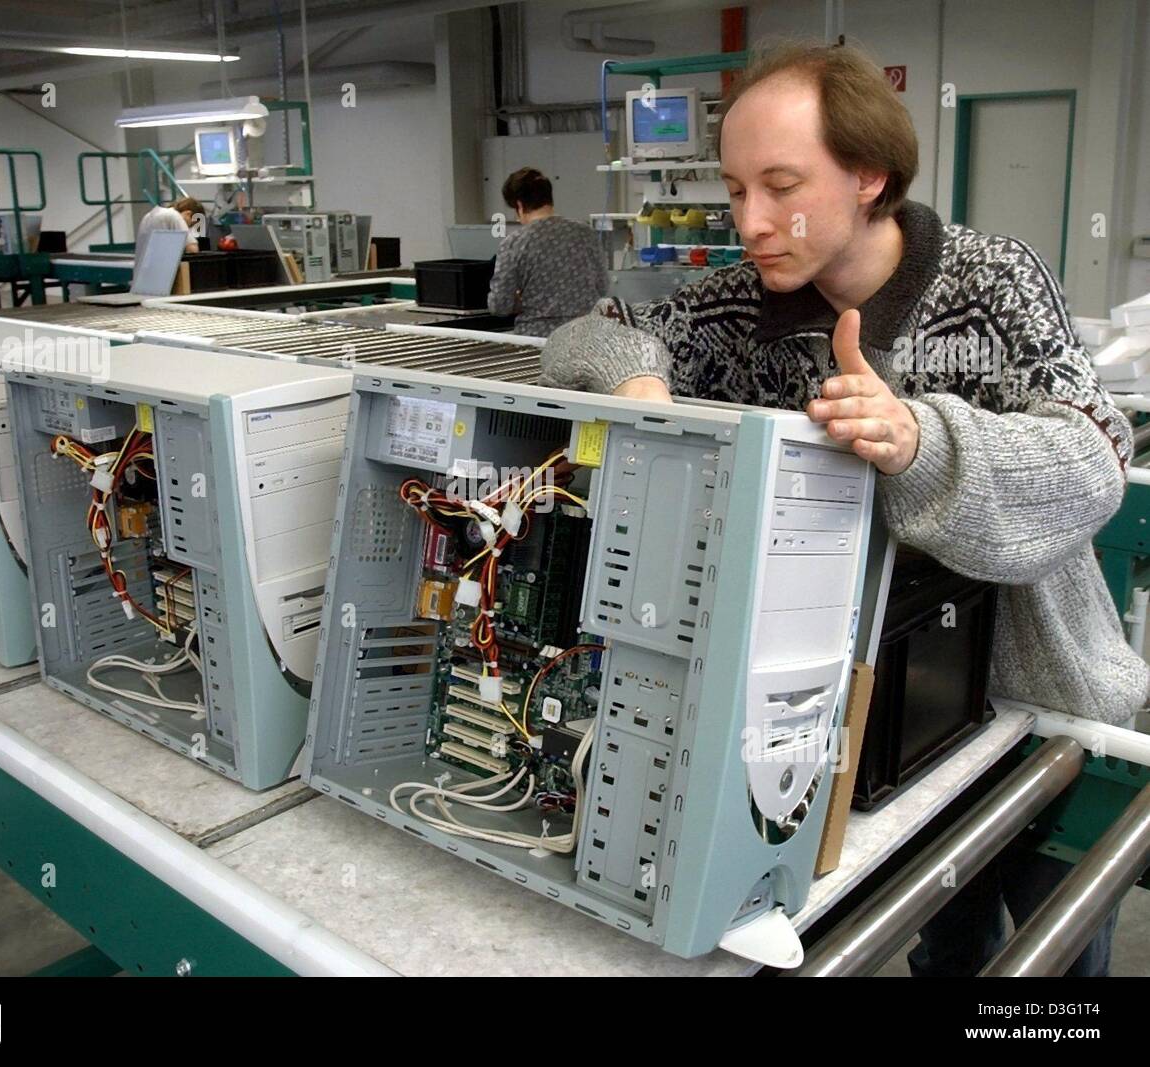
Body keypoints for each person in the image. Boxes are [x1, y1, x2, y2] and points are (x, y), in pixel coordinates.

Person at [539, 42, 1148, 976]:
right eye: (735, 189)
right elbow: (586, 335)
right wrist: (638, 381)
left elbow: (1093, 459)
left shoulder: (991, 281)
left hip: (1030, 703)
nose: (750, 221)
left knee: (1052, 963)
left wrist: (919, 441)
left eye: (781, 186)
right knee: (944, 943)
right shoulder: (737, 305)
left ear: (869, 176)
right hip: (857, 711)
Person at [487, 167, 608, 336]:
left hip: (538, 339)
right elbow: (602, 287)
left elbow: (499, 305)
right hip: (585, 337)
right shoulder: (586, 233)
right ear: (549, 199)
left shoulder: (514, 243)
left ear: (519, 205)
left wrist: (520, 299)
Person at [133, 195, 204, 268]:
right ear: (188, 213)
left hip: (141, 273)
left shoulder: (148, 216)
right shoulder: (174, 215)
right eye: (191, 224)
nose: (188, 227)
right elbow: (193, 249)